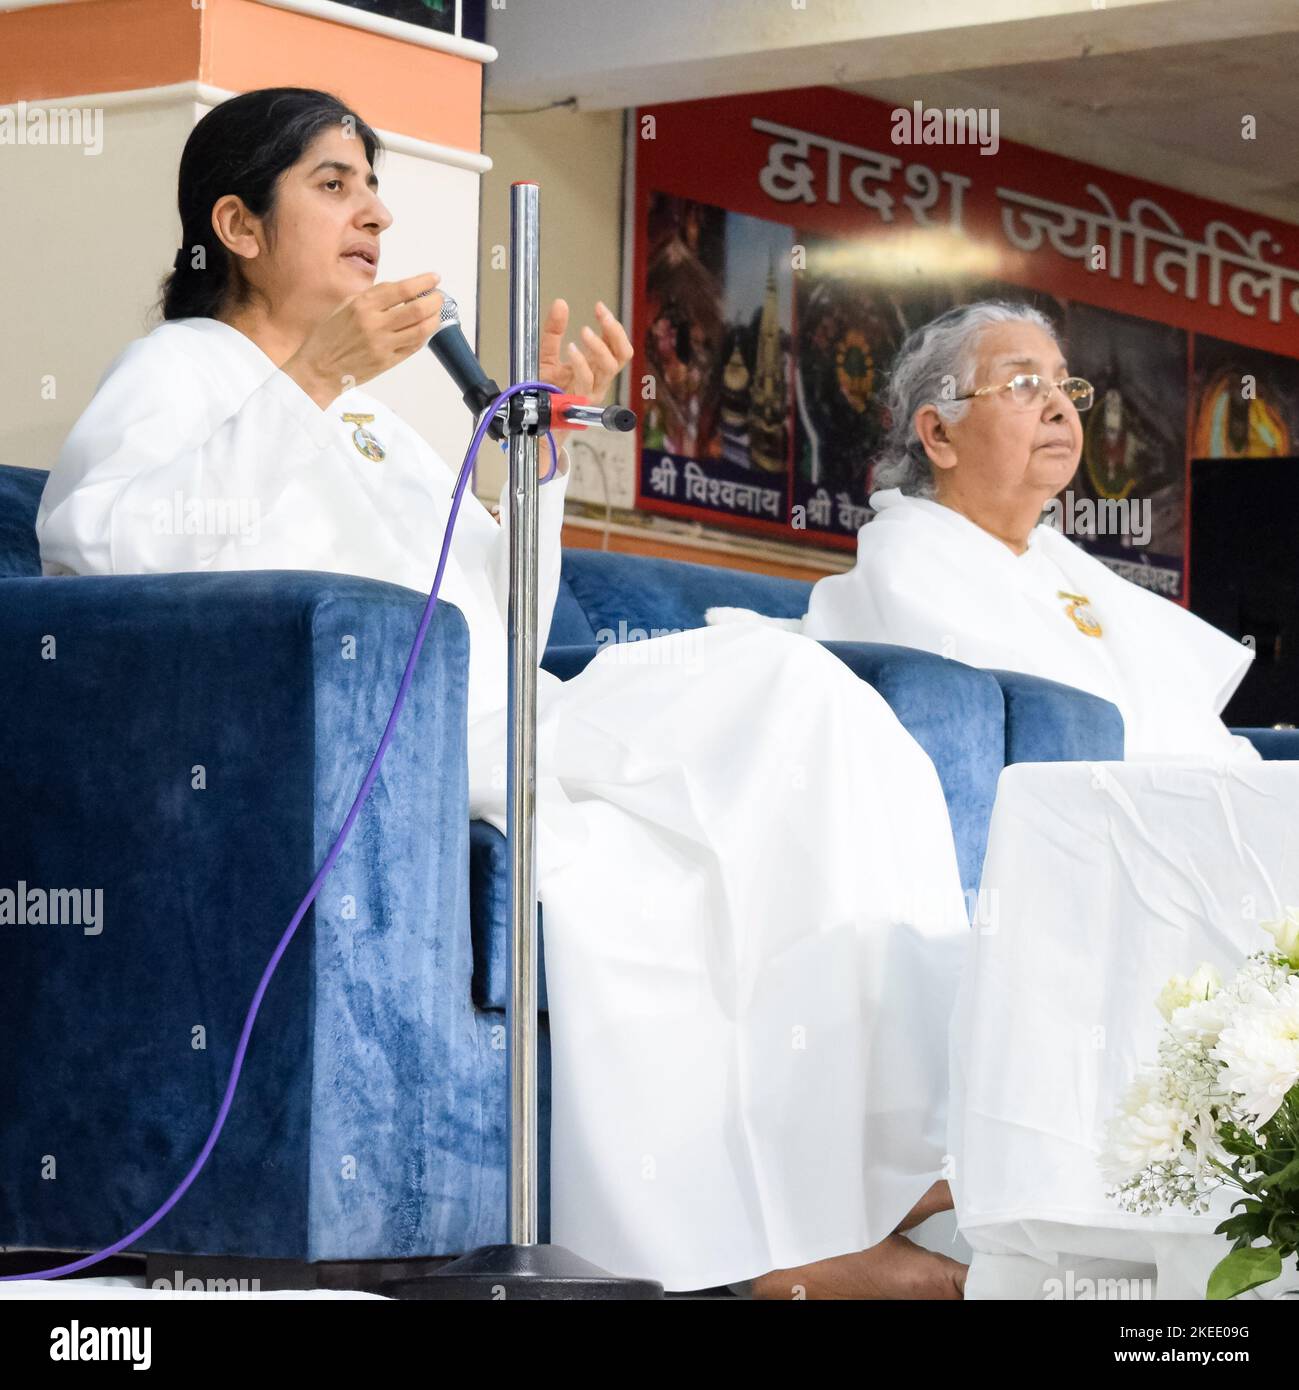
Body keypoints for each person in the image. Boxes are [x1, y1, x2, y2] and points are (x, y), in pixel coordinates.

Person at [37, 88, 972, 1297]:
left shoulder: (378, 421)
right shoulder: (178, 371)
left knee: (815, 707)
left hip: (507, 716)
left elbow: (504, 614)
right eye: (333, 183)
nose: (373, 208)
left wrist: (531, 461)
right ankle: (781, 1244)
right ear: (238, 223)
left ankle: (896, 1139)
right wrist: (308, 381)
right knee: (712, 776)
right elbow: (106, 552)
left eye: (374, 181)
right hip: (376, 746)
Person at [799, 301, 1259, 761]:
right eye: (1024, 384)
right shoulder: (907, 565)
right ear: (939, 433)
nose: (1060, 408)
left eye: (1064, 385)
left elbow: (1186, 727)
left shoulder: (1056, 559)